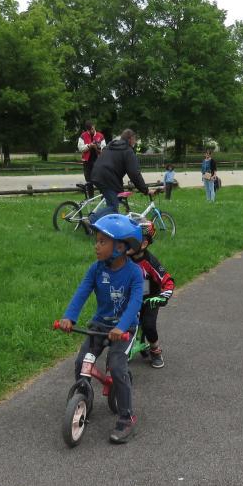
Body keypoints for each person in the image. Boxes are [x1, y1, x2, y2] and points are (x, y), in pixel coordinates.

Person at [57, 214, 143, 443]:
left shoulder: (134, 272)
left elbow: (135, 302)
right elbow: (82, 292)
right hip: (100, 325)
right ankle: (84, 396)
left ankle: (126, 417)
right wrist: (69, 317)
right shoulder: (96, 269)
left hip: (124, 330)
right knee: (81, 362)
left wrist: (122, 326)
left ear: (121, 246)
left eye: (102, 241)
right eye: (96, 240)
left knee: (116, 366)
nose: (96, 246)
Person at [129, 219, 174, 369]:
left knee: (148, 325)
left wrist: (162, 297)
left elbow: (168, 282)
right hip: (129, 296)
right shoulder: (123, 257)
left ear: (144, 244)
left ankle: (155, 349)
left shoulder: (150, 261)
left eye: (132, 239)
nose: (126, 242)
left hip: (150, 298)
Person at [88, 128, 155, 223]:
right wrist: (145, 190)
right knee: (113, 207)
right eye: (134, 139)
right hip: (107, 177)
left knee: (112, 201)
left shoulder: (111, 145)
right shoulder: (128, 151)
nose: (135, 141)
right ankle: (91, 220)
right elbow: (134, 173)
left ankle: (107, 226)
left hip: (96, 173)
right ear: (130, 139)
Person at [77, 120, 106, 198]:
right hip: (87, 162)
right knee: (89, 180)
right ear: (87, 129)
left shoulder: (100, 135)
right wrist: (89, 146)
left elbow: (104, 148)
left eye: (92, 128)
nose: (91, 131)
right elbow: (80, 148)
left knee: (99, 179)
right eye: (90, 130)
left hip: (98, 161)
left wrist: (97, 148)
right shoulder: (83, 136)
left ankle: (103, 197)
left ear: (94, 126)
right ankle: (91, 198)